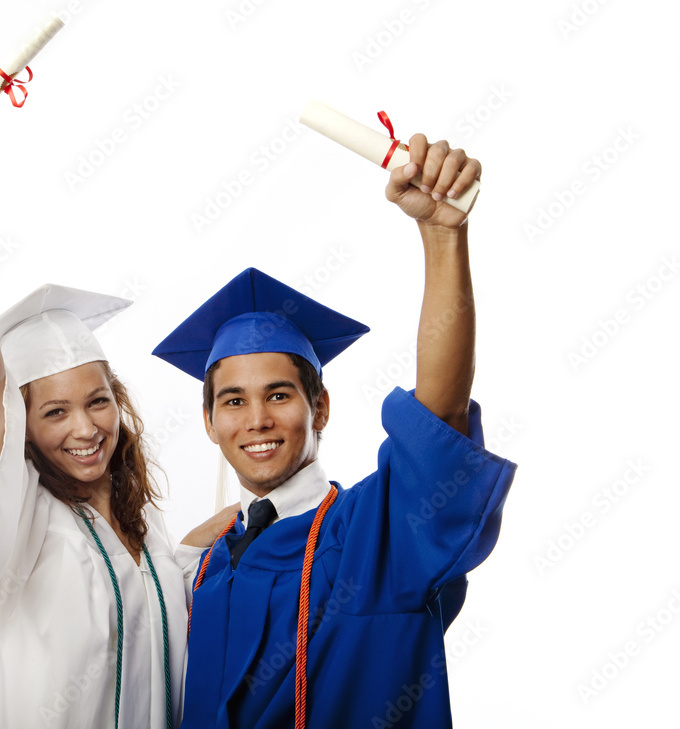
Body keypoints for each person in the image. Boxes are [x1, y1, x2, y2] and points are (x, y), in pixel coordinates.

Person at [153, 136, 518, 728]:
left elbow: (440, 421)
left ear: (320, 408)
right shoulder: (203, 563)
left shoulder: (374, 538)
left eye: (279, 394)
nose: (257, 420)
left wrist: (444, 236)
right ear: (209, 422)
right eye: (233, 401)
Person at [0, 87, 186, 729]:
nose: (87, 427)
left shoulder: (138, 525)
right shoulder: (14, 527)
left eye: (98, 402)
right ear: (22, 429)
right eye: (54, 412)